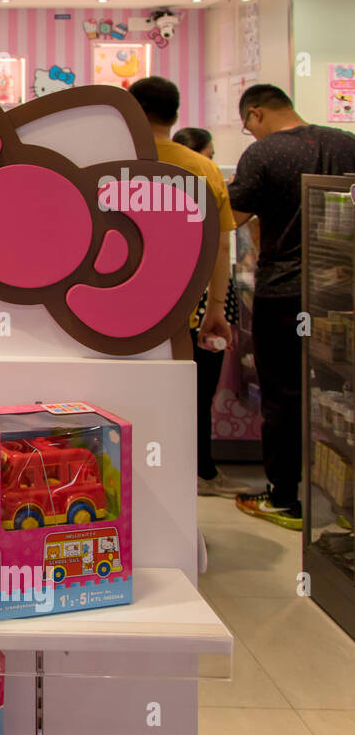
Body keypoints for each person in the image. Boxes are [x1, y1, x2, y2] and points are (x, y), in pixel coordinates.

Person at [230, 84, 355, 530]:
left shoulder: (263, 156)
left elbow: (232, 217)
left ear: (257, 113)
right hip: (341, 295)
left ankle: (284, 499)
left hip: (283, 293)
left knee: (283, 396)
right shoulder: (345, 144)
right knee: (343, 393)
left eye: (247, 127)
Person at [129, 79, 248, 499]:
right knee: (191, 392)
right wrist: (217, 305)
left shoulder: (115, 159)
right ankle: (191, 475)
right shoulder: (202, 167)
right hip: (191, 308)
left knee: (128, 395)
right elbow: (219, 244)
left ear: (132, 109)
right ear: (175, 115)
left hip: (122, 306)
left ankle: (133, 478)